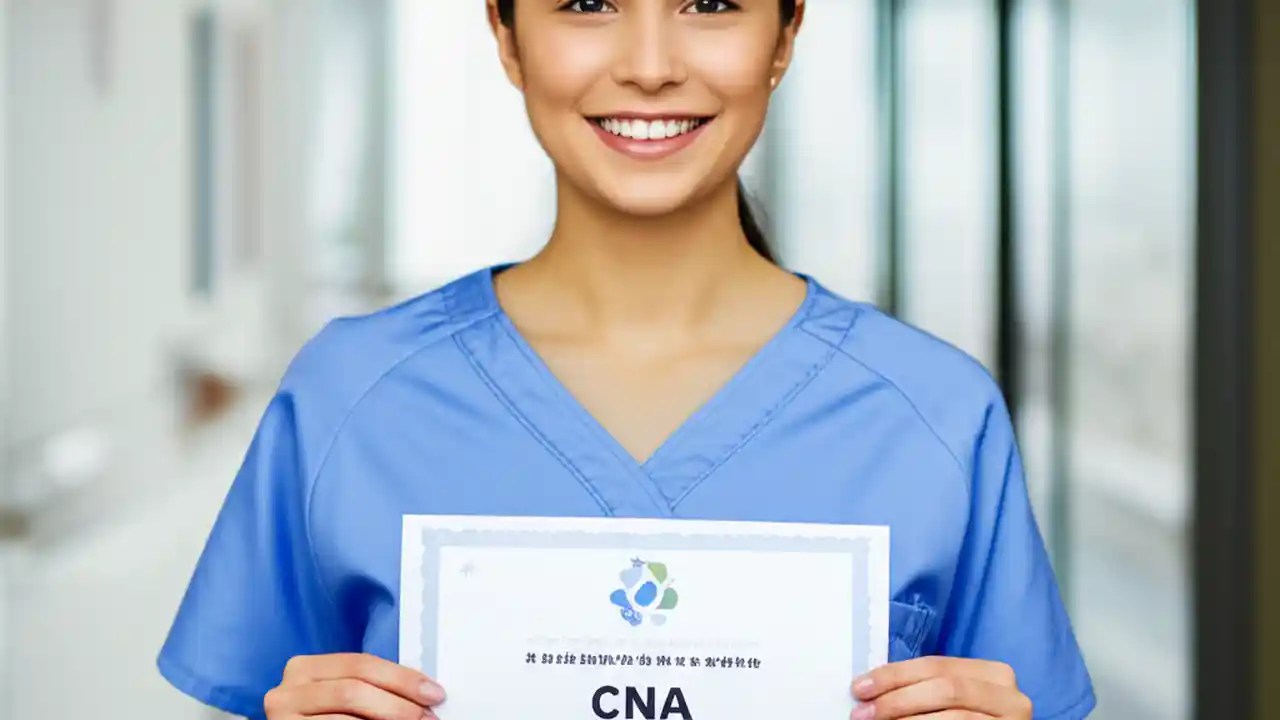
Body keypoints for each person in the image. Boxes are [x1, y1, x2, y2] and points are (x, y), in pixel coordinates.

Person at [157, 1, 1095, 718]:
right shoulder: (352, 397)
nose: (650, 66)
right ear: (506, 36)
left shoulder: (936, 413)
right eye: (588, 2)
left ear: (785, 35)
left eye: (712, 3)